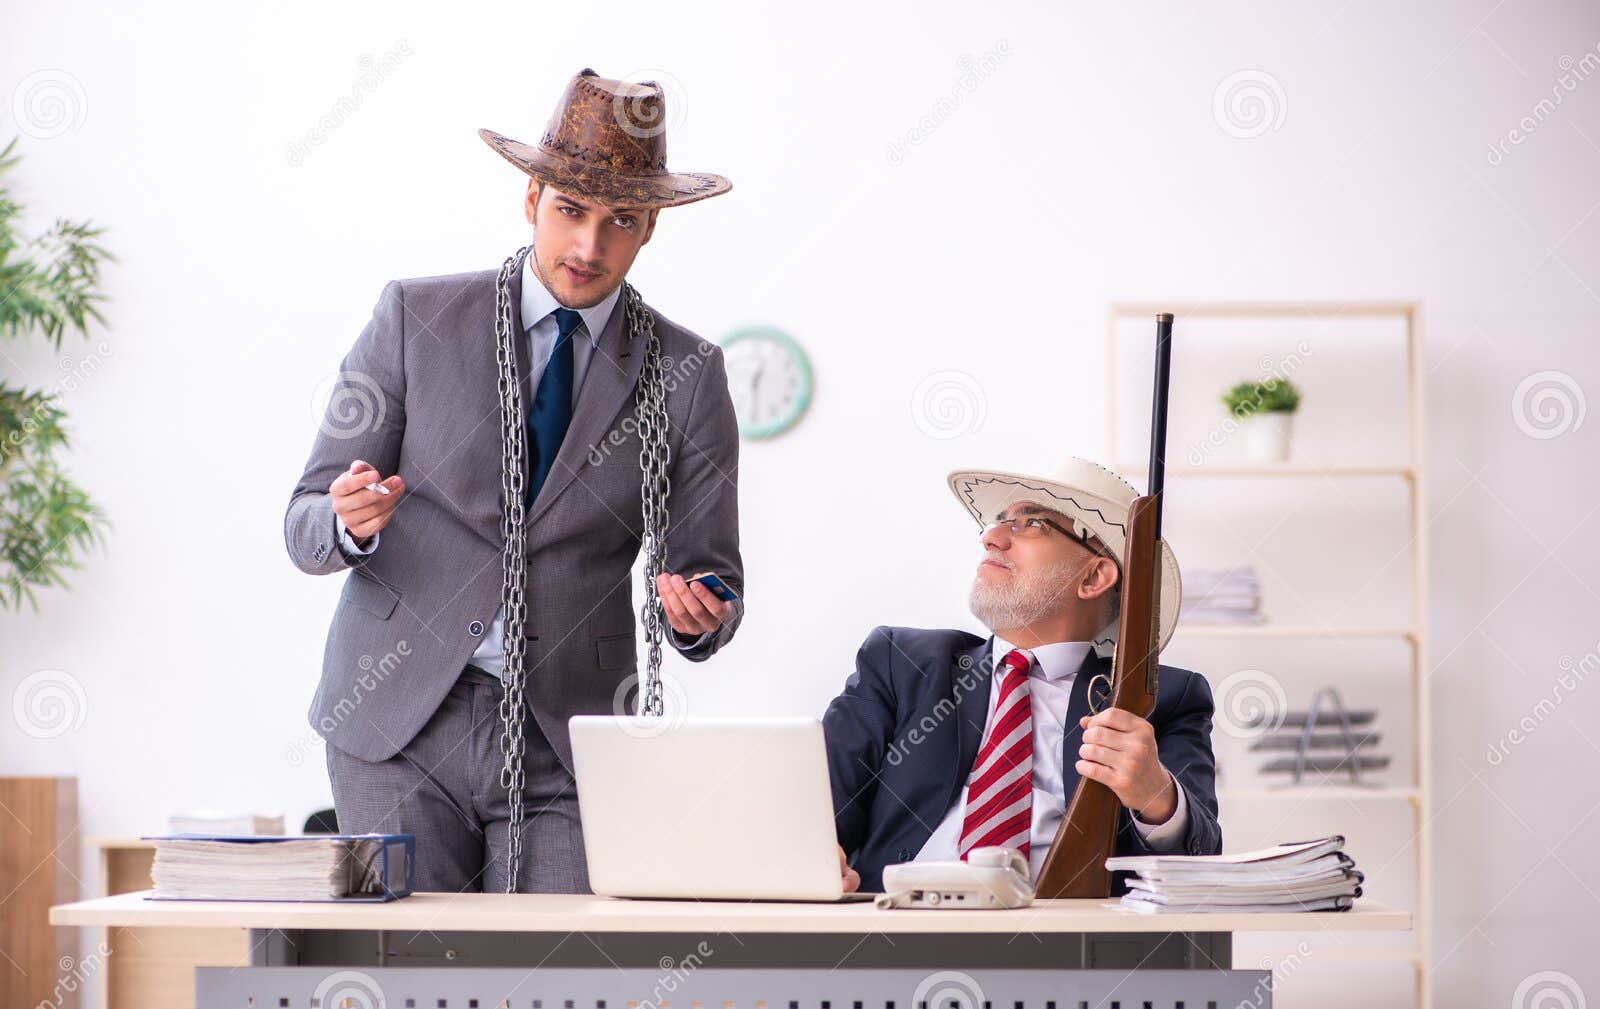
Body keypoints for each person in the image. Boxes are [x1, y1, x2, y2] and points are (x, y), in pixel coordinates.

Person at [284, 69, 742, 893]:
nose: (588, 248)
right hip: (394, 718)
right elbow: (305, 523)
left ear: (650, 229)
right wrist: (346, 520)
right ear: (531, 197)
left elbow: (711, 576)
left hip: (567, 737)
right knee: (413, 967)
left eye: (620, 222)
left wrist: (700, 614)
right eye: (570, 211)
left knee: (555, 968)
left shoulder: (688, 372)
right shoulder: (413, 318)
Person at [824, 458, 1221, 892]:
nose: (991, 538)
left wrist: (1156, 796)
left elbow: (1200, 861)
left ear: (1093, 576)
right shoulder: (901, 663)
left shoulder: (1165, 699)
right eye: (999, 521)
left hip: (1066, 930)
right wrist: (819, 855)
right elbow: (817, 809)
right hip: (897, 921)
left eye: (1031, 523)